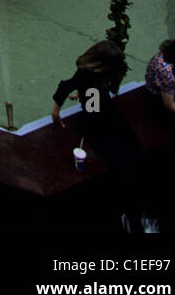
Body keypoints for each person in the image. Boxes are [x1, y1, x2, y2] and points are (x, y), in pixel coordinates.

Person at [52, 40, 149, 231]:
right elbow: (89, 107)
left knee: (135, 152)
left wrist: (82, 94)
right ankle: (131, 215)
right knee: (123, 163)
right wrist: (58, 110)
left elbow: (74, 87)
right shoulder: (91, 80)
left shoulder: (89, 76)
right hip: (97, 123)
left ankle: (135, 208)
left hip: (105, 112)